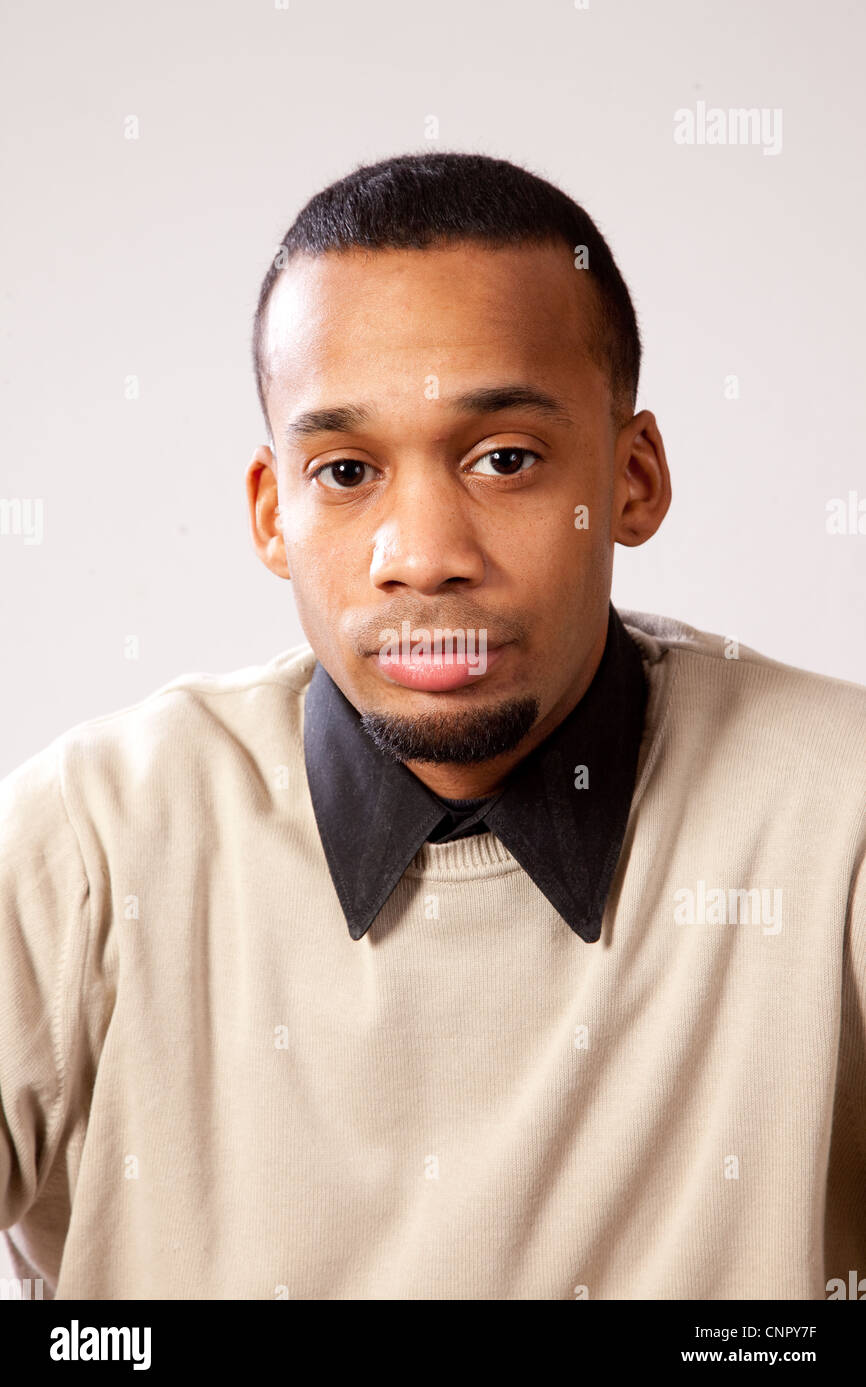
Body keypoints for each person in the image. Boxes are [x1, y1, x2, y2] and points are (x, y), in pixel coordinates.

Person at [1, 151, 863, 1301]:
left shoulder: (836, 815)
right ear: (272, 513)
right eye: (346, 470)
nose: (421, 555)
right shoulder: (92, 845)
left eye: (503, 459)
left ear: (631, 476)